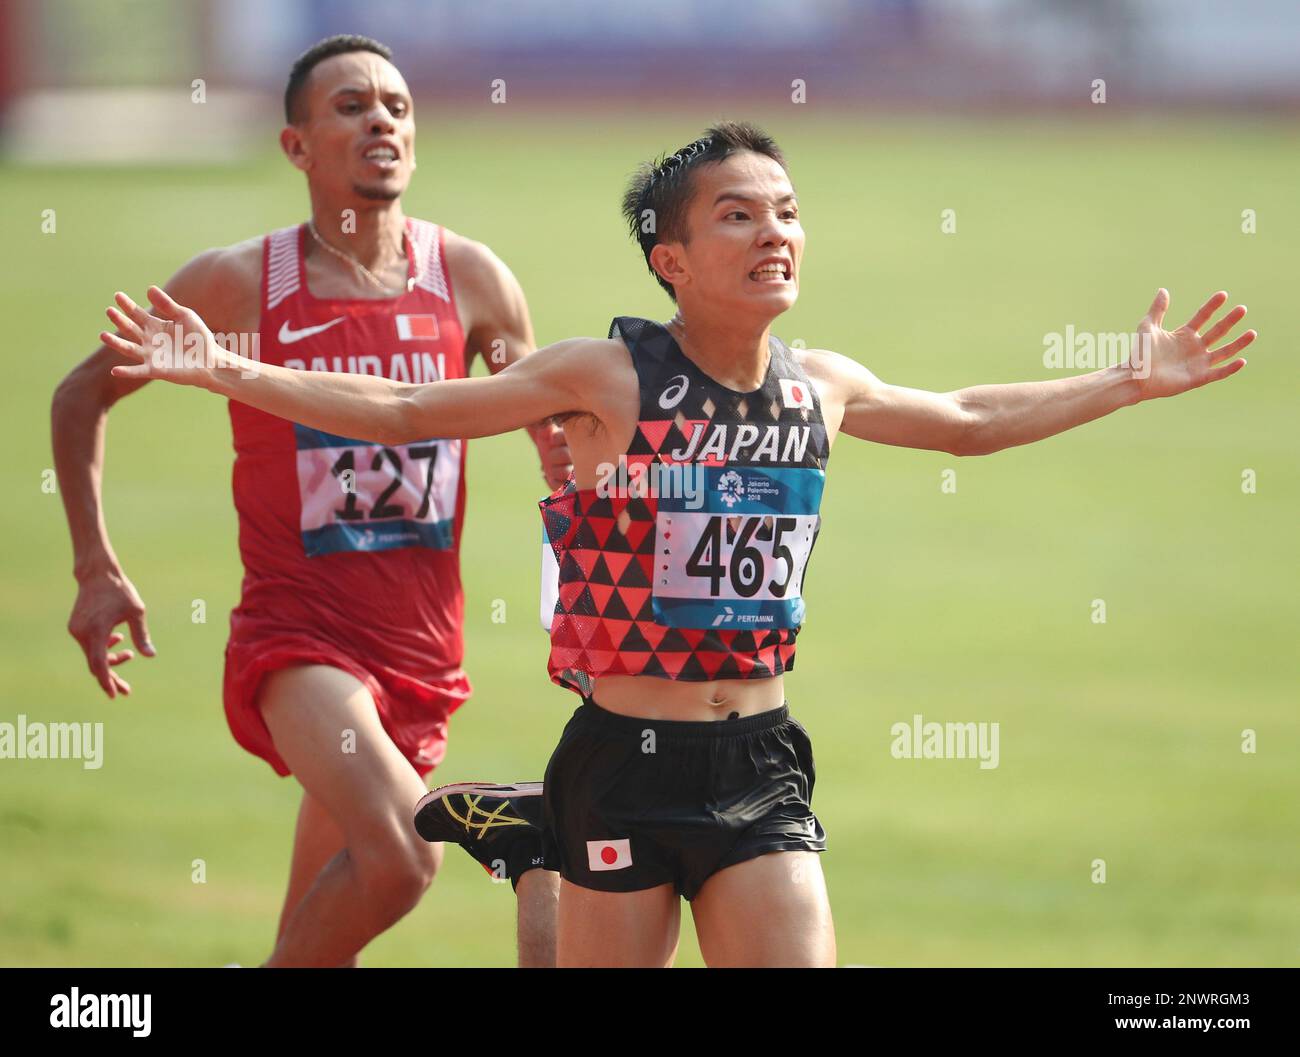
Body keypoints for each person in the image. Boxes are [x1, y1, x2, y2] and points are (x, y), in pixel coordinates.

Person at [95, 121, 1255, 967]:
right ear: (672, 261)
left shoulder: (823, 386)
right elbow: (407, 413)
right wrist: (230, 368)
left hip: (757, 765)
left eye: (787, 211)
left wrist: (1124, 380)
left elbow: (964, 422)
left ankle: (533, 832)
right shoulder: (610, 377)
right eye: (737, 215)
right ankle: (544, 835)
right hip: (624, 759)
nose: (773, 233)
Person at [52, 34, 567, 968]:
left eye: (398, 107)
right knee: (405, 857)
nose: (382, 120)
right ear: (296, 147)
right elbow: (80, 393)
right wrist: (96, 567)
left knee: (313, 950)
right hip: (299, 640)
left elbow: (550, 441)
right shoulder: (239, 284)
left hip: (420, 657)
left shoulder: (474, 280)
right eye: (351, 106)